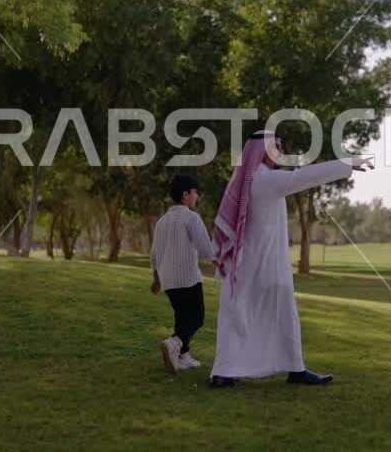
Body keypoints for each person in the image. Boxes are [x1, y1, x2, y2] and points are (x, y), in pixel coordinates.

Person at [209, 129, 373, 388]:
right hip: (254, 264)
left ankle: (292, 369)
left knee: (269, 314)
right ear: (261, 150)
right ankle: (225, 372)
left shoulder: (256, 179)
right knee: (242, 315)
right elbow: (303, 177)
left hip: (265, 264)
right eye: (276, 146)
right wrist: (345, 164)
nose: (281, 151)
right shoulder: (264, 179)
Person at [150, 174, 216, 373]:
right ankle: (174, 343)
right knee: (196, 317)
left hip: (168, 280)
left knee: (182, 317)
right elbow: (206, 249)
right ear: (186, 195)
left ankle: (183, 356)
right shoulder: (191, 217)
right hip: (187, 278)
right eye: (195, 193)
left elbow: (154, 253)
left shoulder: (162, 221)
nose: (197, 196)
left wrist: (156, 280)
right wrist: (223, 263)